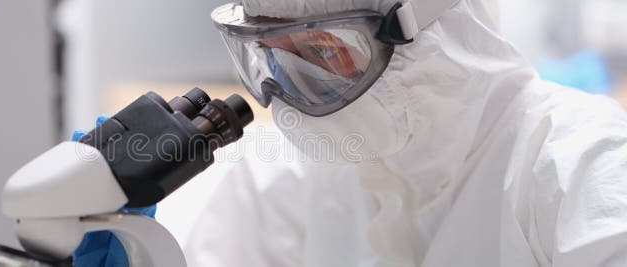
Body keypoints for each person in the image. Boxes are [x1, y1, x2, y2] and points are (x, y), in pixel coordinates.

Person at [184, 0, 627, 266]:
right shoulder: (288, 176)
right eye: (270, 53)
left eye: (322, 51)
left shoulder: (583, 162)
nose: (294, 90)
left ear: (434, 34)